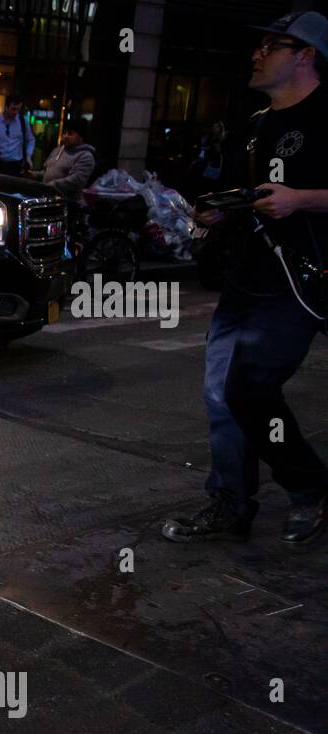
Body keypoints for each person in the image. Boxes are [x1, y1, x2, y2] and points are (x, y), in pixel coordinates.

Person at [162, 11, 328, 549]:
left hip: (301, 281)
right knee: (220, 394)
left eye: (270, 46)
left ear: (304, 54)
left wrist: (301, 199)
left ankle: (309, 487)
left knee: (248, 387)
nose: (256, 55)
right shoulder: (256, 125)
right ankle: (231, 504)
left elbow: (296, 199)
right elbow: (250, 193)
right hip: (248, 277)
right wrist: (220, 211)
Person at [39, 117, 97, 204]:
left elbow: (76, 181)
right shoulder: (57, 150)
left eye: (70, 134)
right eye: (64, 133)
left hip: (69, 204)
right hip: (50, 200)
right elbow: (46, 172)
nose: (65, 136)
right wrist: (32, 174)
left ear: (81, 137)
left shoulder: (85, 156)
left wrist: (51, 185)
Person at [0, 94, 34, 176]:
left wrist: (28, 155)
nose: (15, 112)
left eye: (18, 109)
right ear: (6, 106)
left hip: (15, 166)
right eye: (13, 109)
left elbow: (31, 140)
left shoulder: (23, 122)